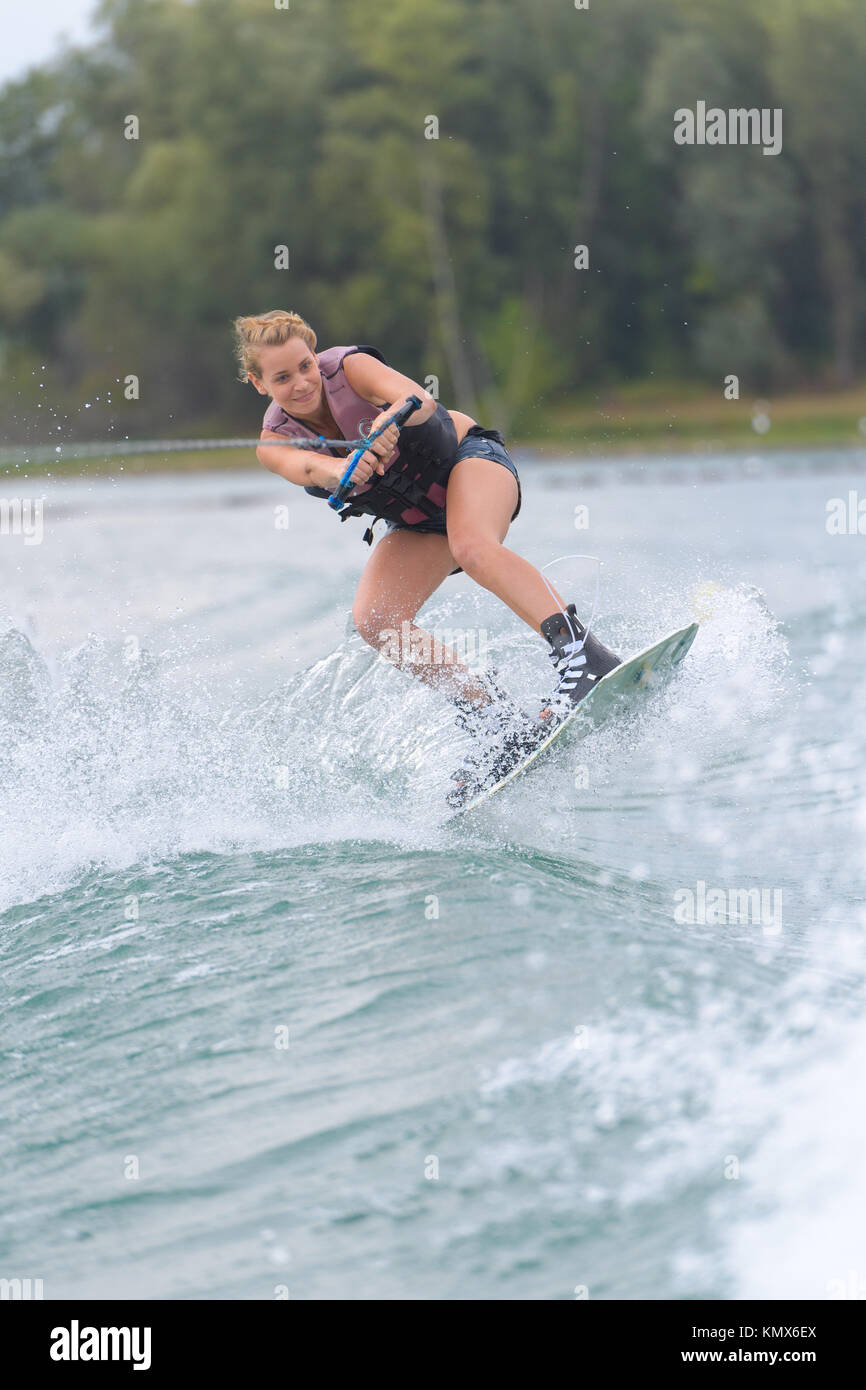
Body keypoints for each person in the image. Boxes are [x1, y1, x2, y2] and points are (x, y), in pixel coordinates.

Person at [233, 309, 621, 806]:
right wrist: (345, 468)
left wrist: (391, 419)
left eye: (305, 366)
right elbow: (309, 466)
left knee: (474, 546)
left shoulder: (347, 368)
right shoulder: (274, 444)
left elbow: (419, 399)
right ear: (258, 382)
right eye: (282, 378)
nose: (302, 383)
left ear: (316, 356)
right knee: (375, 619)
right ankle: (494, 720)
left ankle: (585, 656)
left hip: (470, 464)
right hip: (420, 524)